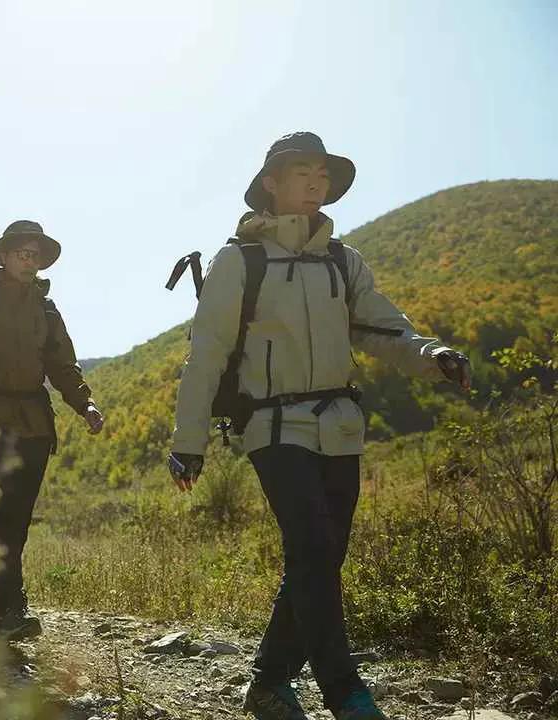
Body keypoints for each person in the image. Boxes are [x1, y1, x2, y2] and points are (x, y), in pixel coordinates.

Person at [169, 132, 471, 720]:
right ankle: (345, 692)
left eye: (323, 176)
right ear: (271, 186)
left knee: (323, 555)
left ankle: (268, 682)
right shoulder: (241, 260)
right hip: (272, 423)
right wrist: (189, 442)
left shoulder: (343, 260)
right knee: (310, 544)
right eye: (302, 173)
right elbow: (205, 354)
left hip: (339, 423)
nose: (316, 184)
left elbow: (383, 328)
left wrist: (432, 354)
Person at [0, 220, 105, 641]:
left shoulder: (47, 310)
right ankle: (6, 609)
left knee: (17, 515)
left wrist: (84, 403)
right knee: (11, 507)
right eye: (23, 253)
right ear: (4, 257)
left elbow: (63, 366)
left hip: (35, 419)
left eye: (36, 255)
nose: (30, 261)